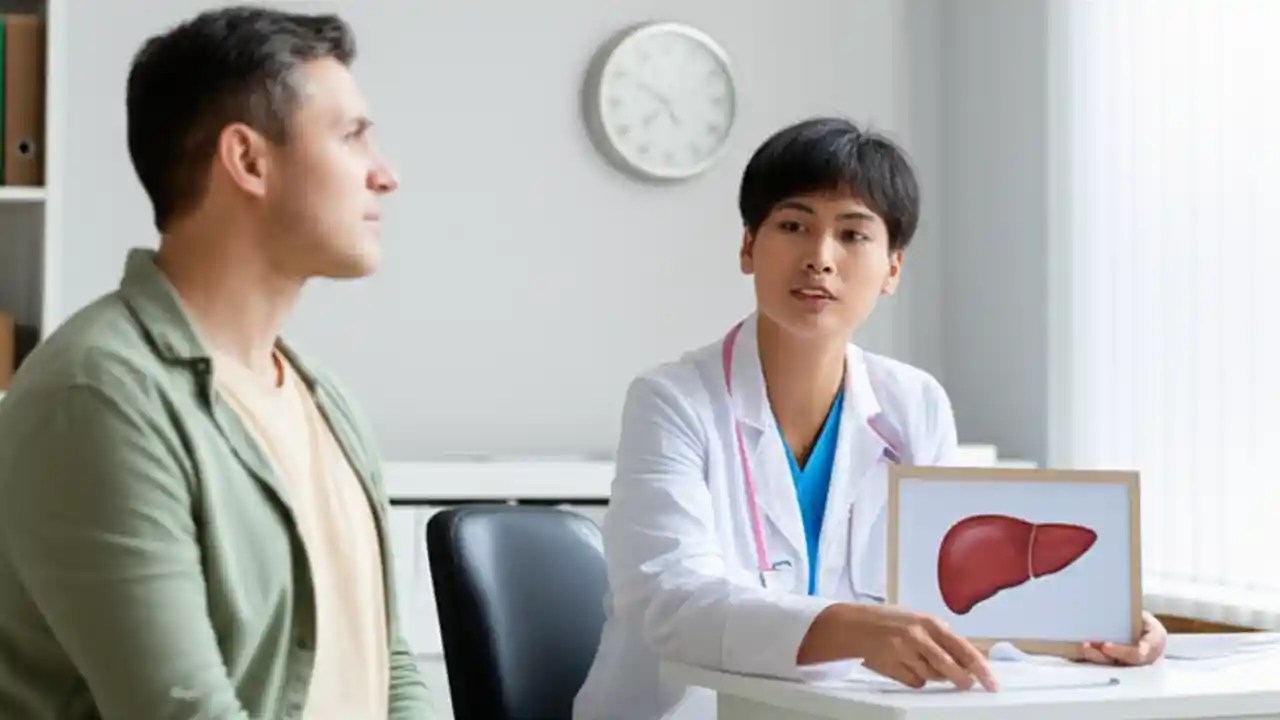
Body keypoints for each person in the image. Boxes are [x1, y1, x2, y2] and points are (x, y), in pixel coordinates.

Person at [572, 117, 1167, 720]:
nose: (820, 259)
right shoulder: (673, 401)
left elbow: (954, 605)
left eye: (854, 235)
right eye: (794, 226)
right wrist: (852, 629)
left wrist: (1091, 627)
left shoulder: (915, 404)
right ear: (749, 247)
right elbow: (670, 602)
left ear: (892, 269)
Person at [0, 6, 434, 719]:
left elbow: (390, 672)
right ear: (248, 161)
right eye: (353, 136)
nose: (385, 175)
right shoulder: (99, 397)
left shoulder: (323, 400)